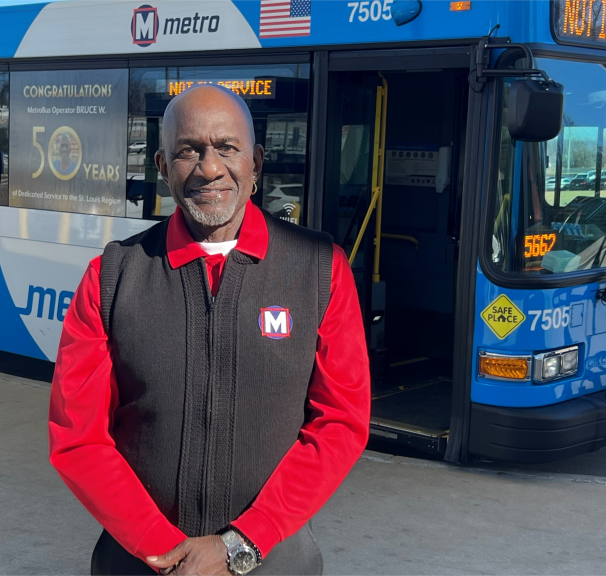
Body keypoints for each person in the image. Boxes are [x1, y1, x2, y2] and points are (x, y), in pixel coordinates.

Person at [49, 85, 370, 576]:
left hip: (275, 557)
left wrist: (242, 544)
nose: (209, 167)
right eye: (187, 150)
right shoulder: (111, 276)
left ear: (256, 163)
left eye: (227, 148)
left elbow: (341, 423)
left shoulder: (321, 269)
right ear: (161, 166)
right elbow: (78, 438)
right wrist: (165, 550)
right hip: (140, 561)